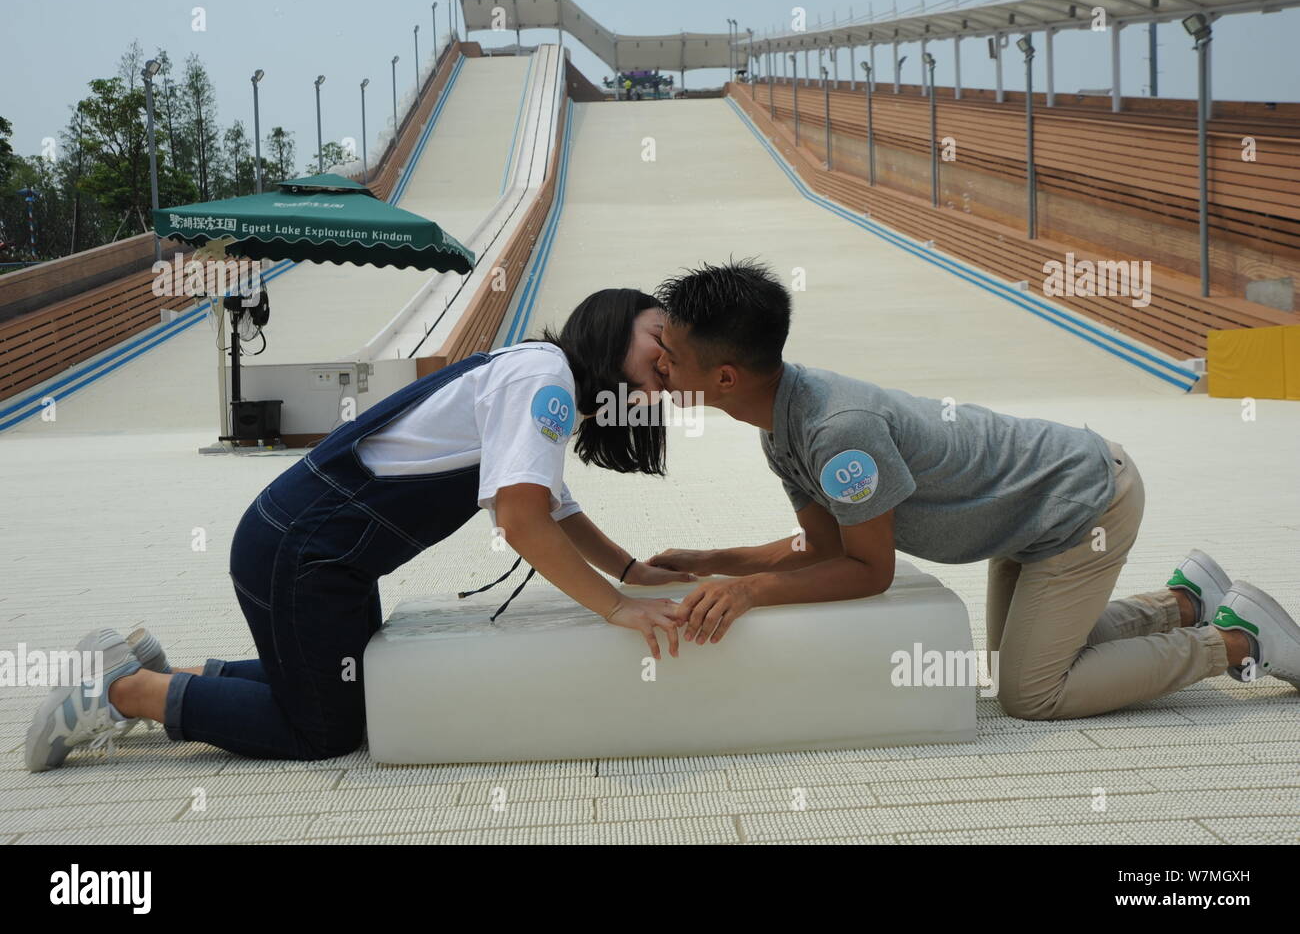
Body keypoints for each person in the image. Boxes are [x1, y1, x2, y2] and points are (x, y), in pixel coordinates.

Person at [26, 289, 693, 770]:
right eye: (660, 335)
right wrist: (618, 608)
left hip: (310, 550)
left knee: (340, 686)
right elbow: (522, 522)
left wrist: (633, 571)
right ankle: (122, 692)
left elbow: (555, 509)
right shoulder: (546, 380)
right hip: (303, 549)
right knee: (323, 731)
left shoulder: (542, 380)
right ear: (611, 321)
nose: (668, 361)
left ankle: (163, 671)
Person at [644, 258, 1300, 719]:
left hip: (1083, 502)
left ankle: (1240, 641)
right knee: (1029, 657)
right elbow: (819, 547)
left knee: (1032, 693)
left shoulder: (837, 430)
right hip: (1024, 522)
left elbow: (868, 570)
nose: (656, 365)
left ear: (726, 377)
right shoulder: (780, 423)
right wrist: (710, 562)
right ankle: (1186, 601)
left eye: (668, 354)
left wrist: (750, 590)